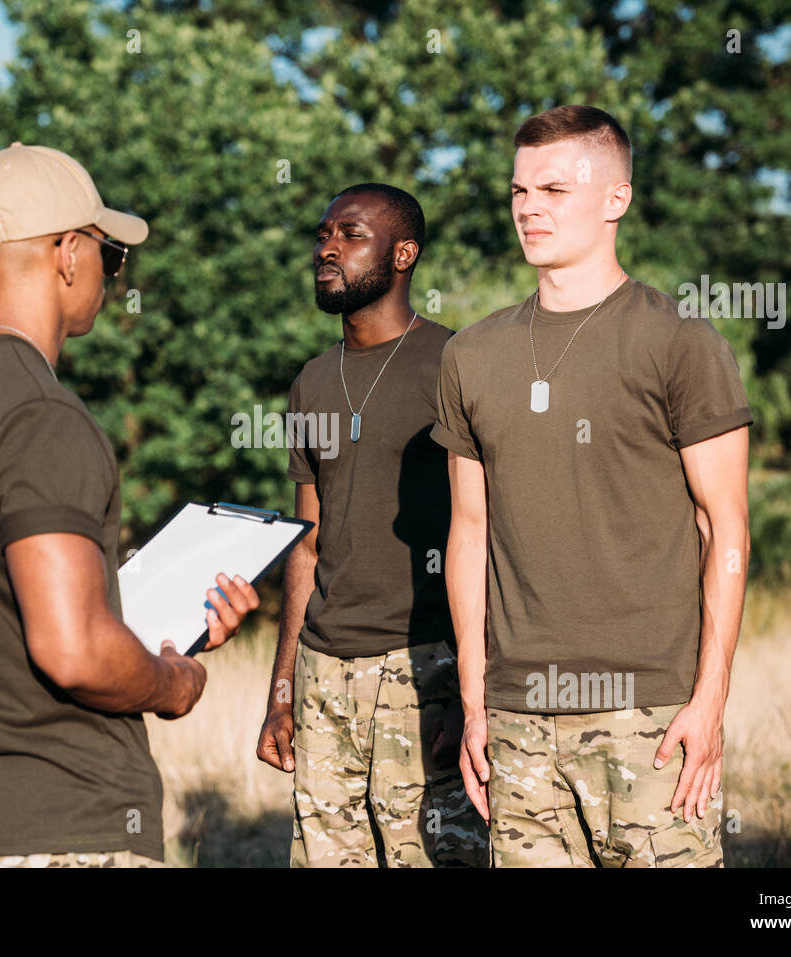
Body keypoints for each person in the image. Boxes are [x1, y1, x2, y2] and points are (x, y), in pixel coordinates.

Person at [0, 143, 259, 868]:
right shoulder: (42, 413)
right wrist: (173, 683)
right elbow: (72, 648)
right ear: (68, 254)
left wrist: (138, 598)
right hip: (72, 828)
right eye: (112, 258)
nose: (112, 279)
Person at [433, 106, 751, 867]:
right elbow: (468, 533)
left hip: (651, 714)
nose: (528, 208)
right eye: (518, 190)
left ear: (616, 199)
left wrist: (708, 703)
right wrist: (476, 703)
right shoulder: (471, 356)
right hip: (517, 718)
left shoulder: (680, 340)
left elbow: (726, 531)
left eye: (553, 188)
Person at [256, 183, 487, 867]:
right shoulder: (312, 381)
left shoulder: (457, 364)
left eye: (350, 234)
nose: (327, 247)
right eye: (324, 233)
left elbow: (496, 538)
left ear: (404, 253)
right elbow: (307, 544)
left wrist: (473, 694)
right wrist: (283, 689)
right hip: (324, 673)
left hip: (425, 668)